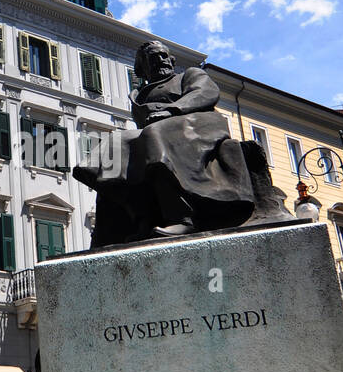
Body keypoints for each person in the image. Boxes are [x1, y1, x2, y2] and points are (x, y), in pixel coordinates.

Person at [74, 41, 255, 246]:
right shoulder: (139, 95)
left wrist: (172, 109)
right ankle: (141, 216)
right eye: (153, 58)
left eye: (163, 56)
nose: (161, 60)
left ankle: (181, 216)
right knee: (115, 144)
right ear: (143, 68)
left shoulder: (188, 75)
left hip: (198, 125)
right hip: (164, 132)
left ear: (172, 59)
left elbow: (205, 93)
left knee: (153, 134)